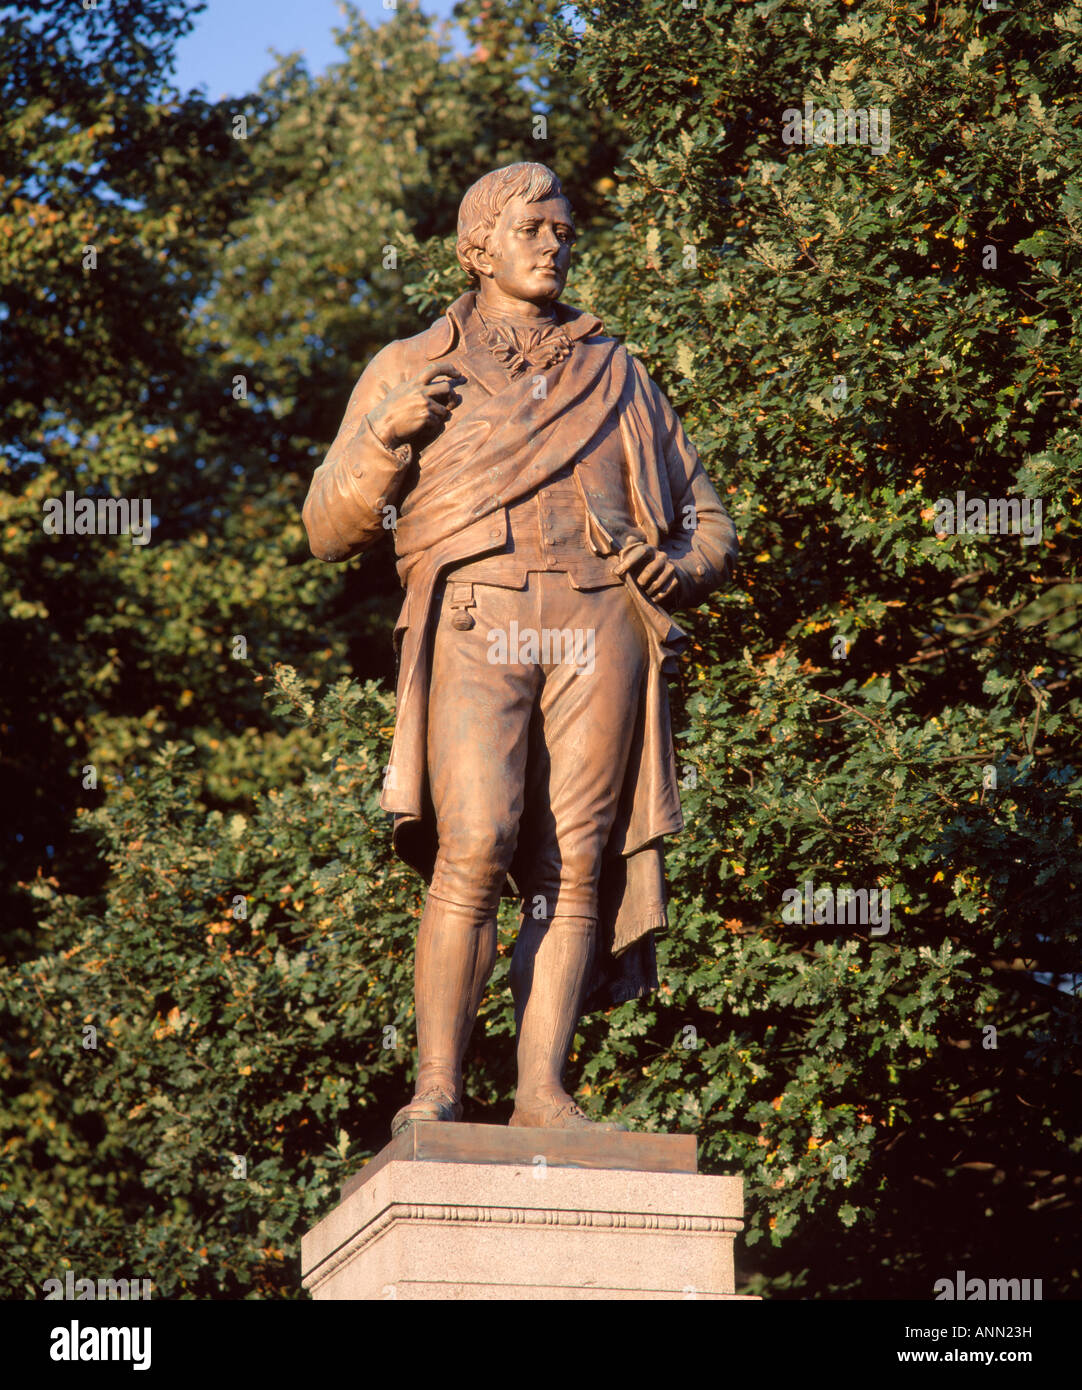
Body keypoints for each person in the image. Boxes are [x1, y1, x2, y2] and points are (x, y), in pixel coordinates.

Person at [302, 162, 738, 1134]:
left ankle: (542, 1093)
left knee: (574, 862)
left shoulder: (614, 369)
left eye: (561, 229)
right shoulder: (411, 364)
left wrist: (678, 565)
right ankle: (437, 1088)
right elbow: (328, 524)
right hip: (479, 614)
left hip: (597, 620)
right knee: (475, 840)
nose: (553, 243)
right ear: (479, 246)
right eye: (533, 228)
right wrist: (384, 436)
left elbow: (708, 519)